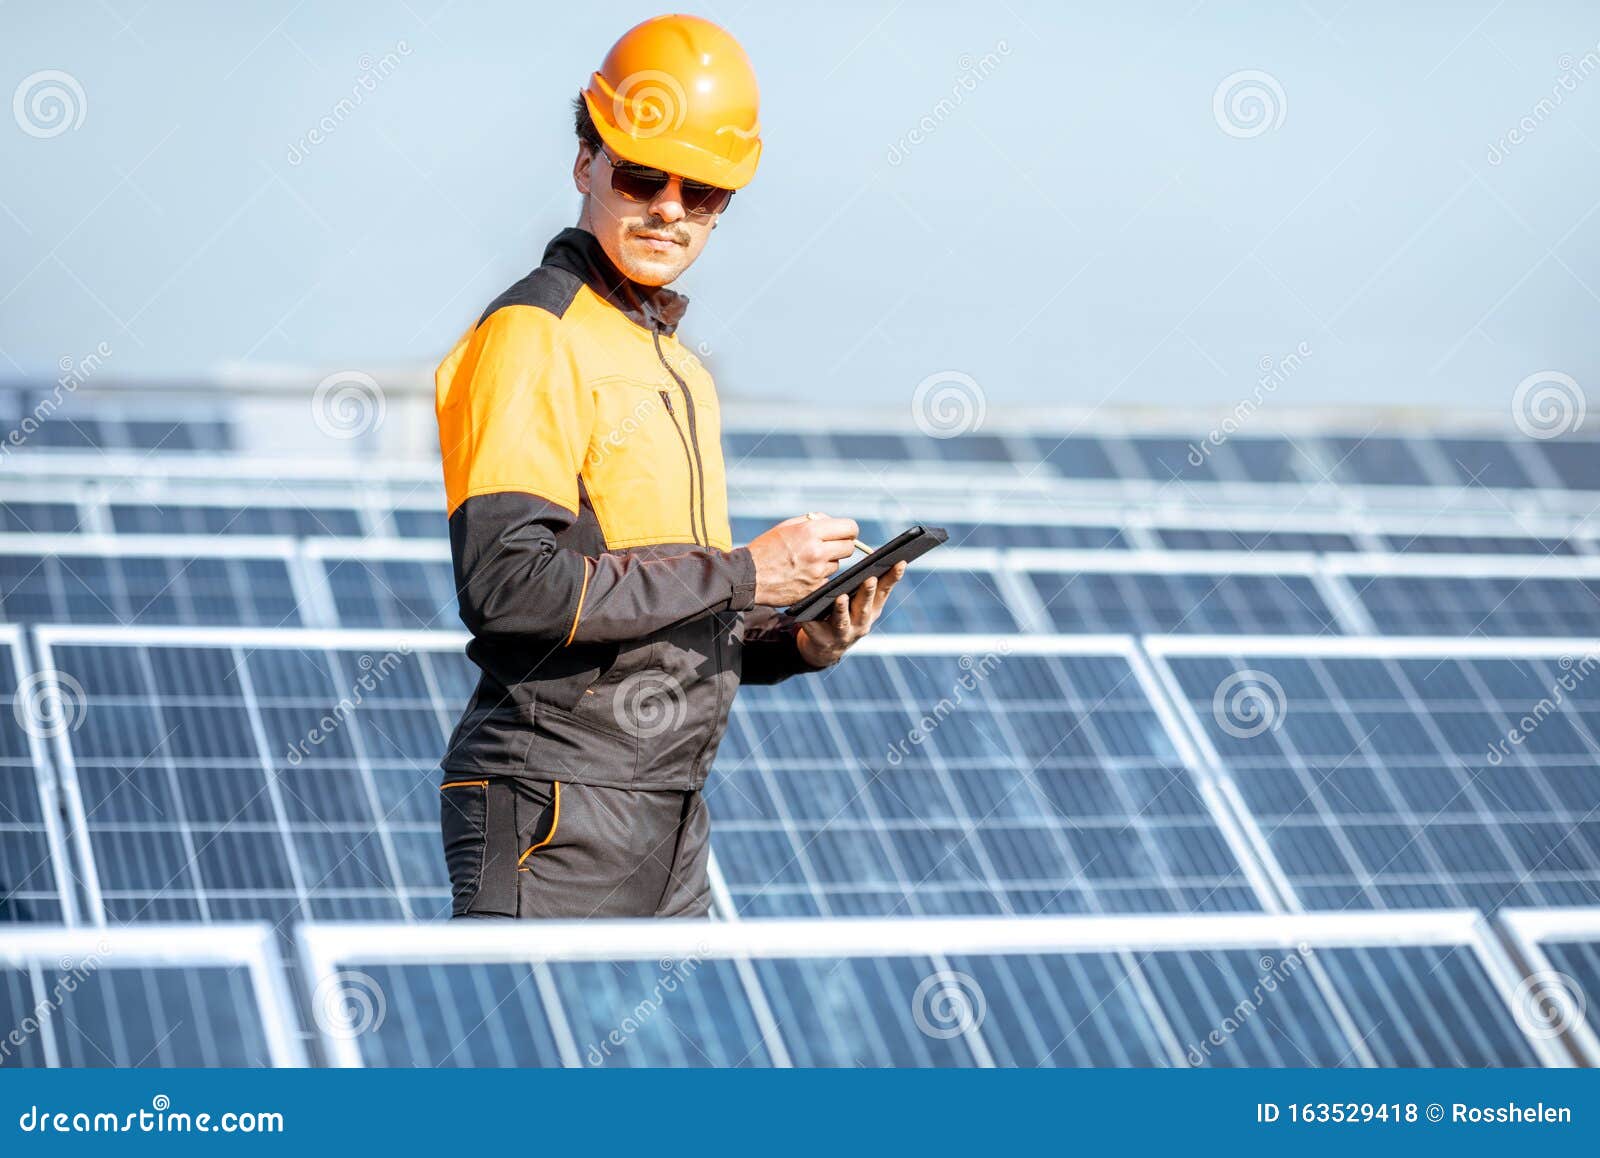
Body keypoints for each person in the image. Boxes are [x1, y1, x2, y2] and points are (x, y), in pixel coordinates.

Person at [433, 14, 906, 919]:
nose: (669, 210)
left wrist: (794, 640)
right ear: (586, 162)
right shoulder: (532, 336)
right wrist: (747, 572)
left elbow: (659, 618)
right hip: (554, 801)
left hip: (670, 811)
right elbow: (509, 588)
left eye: (703, 192)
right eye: (642, 177)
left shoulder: (680, 368)